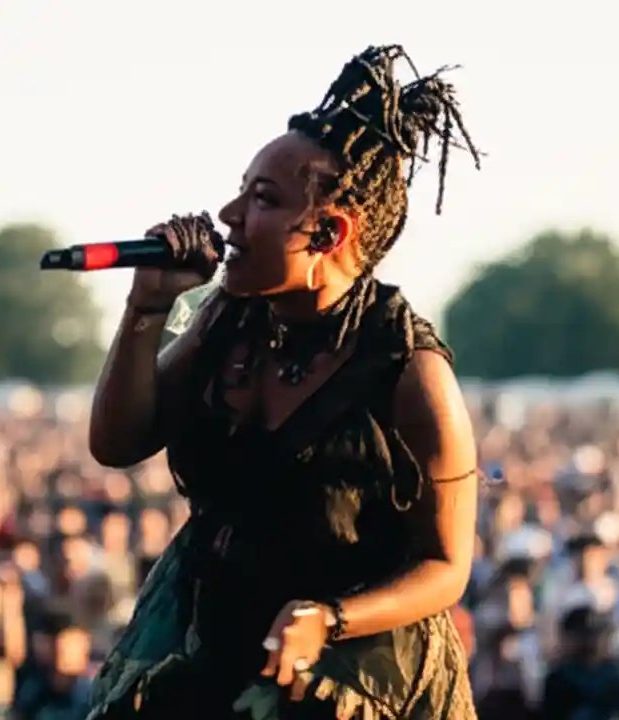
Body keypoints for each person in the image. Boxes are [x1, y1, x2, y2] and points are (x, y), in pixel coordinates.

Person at [86, 44, 482, 719]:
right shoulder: (226, 323)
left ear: (329, 231)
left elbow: (446, 568)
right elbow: (118, 443)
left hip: (349, 678)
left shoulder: (410, 373)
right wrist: (147, 307)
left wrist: (329, 618)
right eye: (241, 190)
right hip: (215, 646)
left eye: (262, 199)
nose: (229, 214)